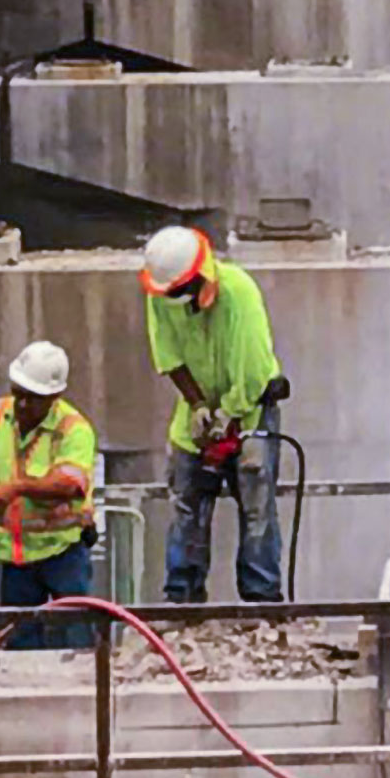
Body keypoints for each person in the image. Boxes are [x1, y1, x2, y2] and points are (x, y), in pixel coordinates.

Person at [141, 224, 289, 603]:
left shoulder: (238, 293)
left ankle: (261, 600)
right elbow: (168, 356)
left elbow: (253, 372)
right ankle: (182, 597)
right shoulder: (161, 290)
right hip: (198, 407)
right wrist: (198, 407)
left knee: (256, 507)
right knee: (186, 505)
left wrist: (229, 420)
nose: (173, 299)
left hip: (251, 410)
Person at [0, 340, 101, 648]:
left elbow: (68, 485)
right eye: (19, 393)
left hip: (63, 551)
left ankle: (78, 694)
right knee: (20, 645)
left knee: (76, 639)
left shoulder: (74, 429)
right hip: (15, 556)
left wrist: (16, 488)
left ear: (54, 397)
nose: (23, 404)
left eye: (34, 397)